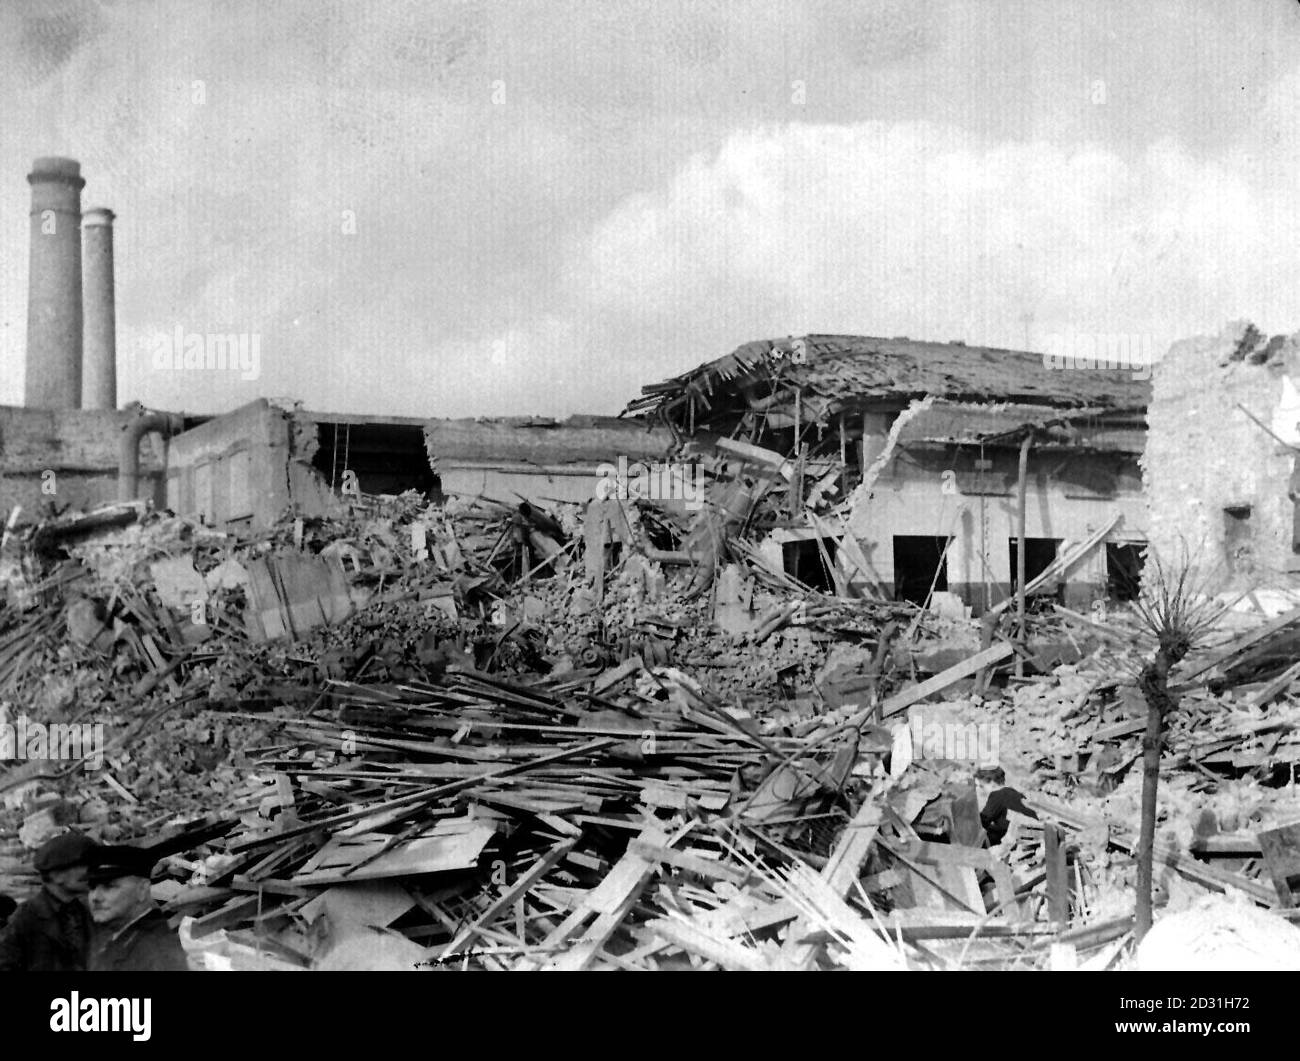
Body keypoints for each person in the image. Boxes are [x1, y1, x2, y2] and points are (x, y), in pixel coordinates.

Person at [0, 831, 96, 971]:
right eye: (87, 866)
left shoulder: (87, 909)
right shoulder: (26, 917)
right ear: (58, 876)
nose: (93, 873)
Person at [86, 845, 188, 972]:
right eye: (92, 887)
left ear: (142, 890)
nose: (95, 897)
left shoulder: (156, 951)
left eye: (108, 886)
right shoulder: (119, 934)